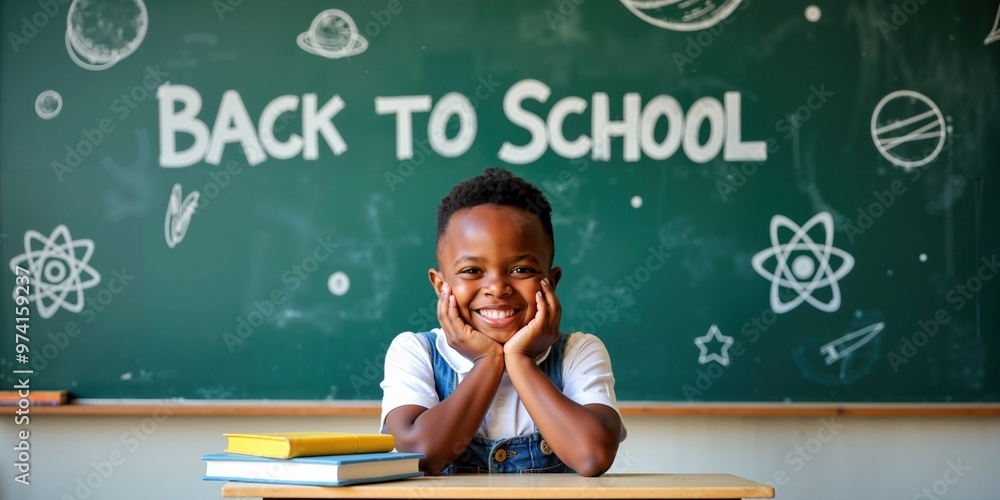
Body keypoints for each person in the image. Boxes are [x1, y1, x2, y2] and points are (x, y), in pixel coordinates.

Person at [380, 167, 625, 477]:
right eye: (472, 271)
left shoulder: (578, 352)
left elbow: (593, 456)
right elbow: (422, 456)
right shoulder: (415, 352)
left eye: (521, 270)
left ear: (551, 281)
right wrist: (487, 361)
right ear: (441, 286)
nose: (497, 288)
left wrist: (520, 360)